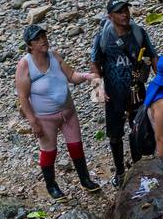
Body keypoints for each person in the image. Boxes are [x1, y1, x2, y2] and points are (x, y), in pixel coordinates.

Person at [15, 24, 102, 199]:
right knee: (49, 151)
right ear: (30, 45)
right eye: (37, 39)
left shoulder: (54, 56)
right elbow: (23, 97)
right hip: (45, 118)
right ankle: (51, 185)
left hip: (68, 112)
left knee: (76, 146)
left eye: (44, 36)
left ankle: (85, 180)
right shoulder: (25, 65)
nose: (43, 40)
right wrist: (33, 122)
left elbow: (71, 76)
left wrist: (86, 77)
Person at [91, 0, 156, 186]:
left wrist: (162, 83)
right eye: (119, 12)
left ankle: (137, 167)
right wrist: (98, 91)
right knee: (114, 133)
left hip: (137, 90)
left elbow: (152, 56)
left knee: (139, 128)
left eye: (126, 10)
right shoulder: (103, 37)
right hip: (114, 92)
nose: (125, 14)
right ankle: (119, 171)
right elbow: (94, 63)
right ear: (110, 16)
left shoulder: (138, 33)